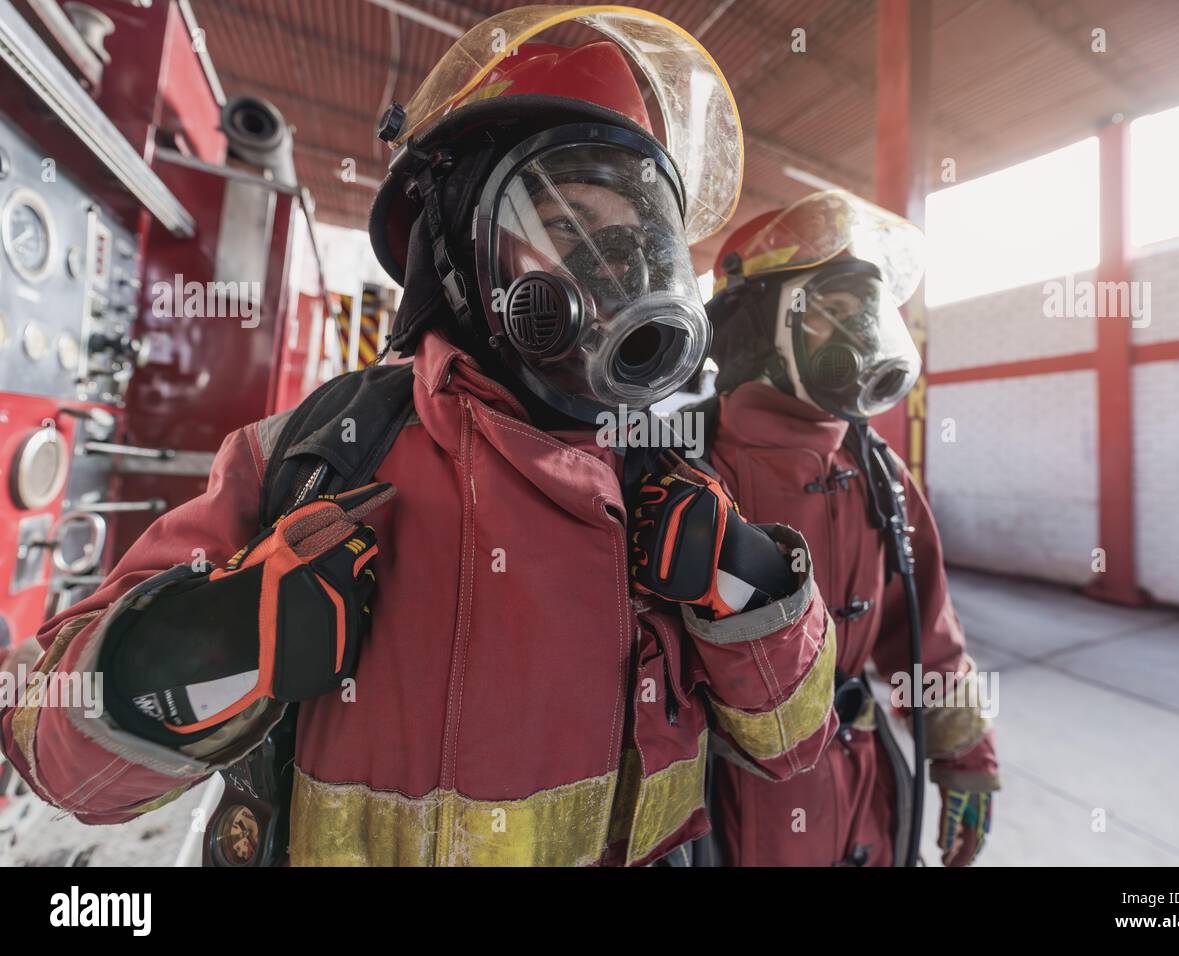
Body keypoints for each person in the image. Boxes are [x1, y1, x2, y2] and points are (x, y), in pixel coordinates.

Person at [0, 6, 836, 867]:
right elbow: (57, 758)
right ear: (461, 251)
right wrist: (212, 649)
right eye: (572, 225)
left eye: (633, 241)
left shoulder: (667, 478)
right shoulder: (313, 457)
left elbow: (792, 744)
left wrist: (754, 590)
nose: (614, 276)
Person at [694, 191, 999, 866]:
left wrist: (964, 754)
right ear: (758, 328)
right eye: (835, 308)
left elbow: (925, 637)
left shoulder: (878, 469)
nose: (863, 332)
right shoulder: (687, 466)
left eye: (869, 309)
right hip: (733, 811)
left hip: (869, 799)